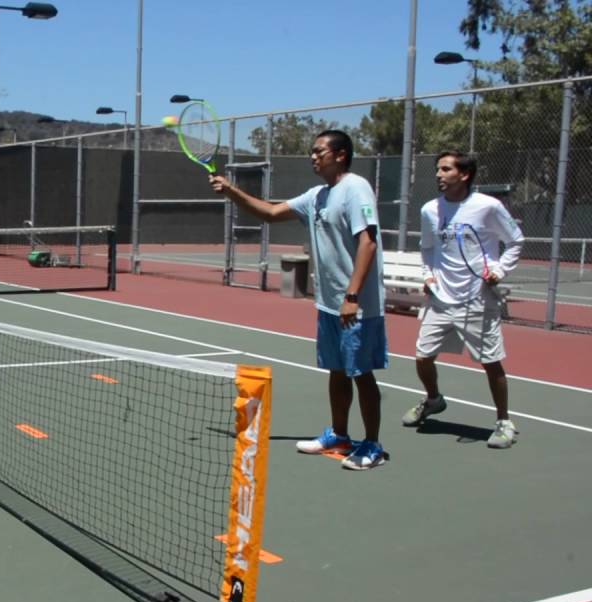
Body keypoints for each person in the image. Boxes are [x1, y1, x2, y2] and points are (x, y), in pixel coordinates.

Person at [210, 130, 388, 470]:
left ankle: (372, 445)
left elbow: (368, 243)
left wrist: (352, 295)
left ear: (340, 154)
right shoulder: (318, 195)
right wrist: (231, 191)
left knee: (361, 373)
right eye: (312, 151)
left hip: (358, 304)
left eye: (319, 150)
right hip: (329, 303)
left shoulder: (355, 188)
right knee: (337, 370)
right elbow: (271, 212)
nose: (313, 156)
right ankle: (339, 434)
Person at [402, 151, 523, 448]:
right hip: (441, 299)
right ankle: (433, 400)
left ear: (464, 174)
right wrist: (428, 276)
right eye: (438, 169)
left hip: (478, 300)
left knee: (491, 363)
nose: (439, 174)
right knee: (422, 357)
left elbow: (516, 241)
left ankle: (504, 422)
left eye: (446, 169)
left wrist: (498, 270)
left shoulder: (488, 207)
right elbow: (427, 247)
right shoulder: (431, 209)